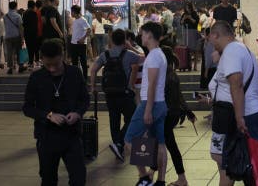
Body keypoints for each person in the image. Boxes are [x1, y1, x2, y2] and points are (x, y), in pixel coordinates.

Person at [207, 20, 258, 186]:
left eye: (211, 39)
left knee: (250, 164)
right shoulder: (242, 49)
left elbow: (237, 84)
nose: (211, 44)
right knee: (247, 159)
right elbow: (251, 84)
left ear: (215, 35)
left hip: (243, 114)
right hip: (251, 110)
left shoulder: (231, 50)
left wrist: (239, 117)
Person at [23, 39, 88, 186]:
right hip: (47, 135)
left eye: (56, 65)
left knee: (79, 178)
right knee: (48, 178)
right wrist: (48, 115)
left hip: (72, 134)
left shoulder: (74, 73)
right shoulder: (37, 77)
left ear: (63, 56)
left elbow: (84, 99)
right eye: (48, 65)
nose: (52, 69)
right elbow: (27, 108)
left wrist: (77, 113)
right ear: (42, 59)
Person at [124, 22, 169, 186]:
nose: (140, 36)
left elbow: (151, 84)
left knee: (129, 139)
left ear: (149, 35)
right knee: (160, 143)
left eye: (142, 34)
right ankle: (160, 181)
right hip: (159, 103)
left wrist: (147, 109)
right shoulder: (157, 54)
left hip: (152, 104)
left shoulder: (155, 56)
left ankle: (144, 177)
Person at [89, 29, 142, 162]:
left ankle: (117, 143)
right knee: (132, 118)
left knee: (114, 118)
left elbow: (93, 69)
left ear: (111, 40)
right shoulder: (129, 54)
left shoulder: (105, 55)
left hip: (110, 93)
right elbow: (144, 57)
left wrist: (93, 86)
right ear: (124, 40)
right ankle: (120, 142)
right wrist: (131, 48)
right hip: (125, 93)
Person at [162, 46, 195, 186]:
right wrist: (188, 111)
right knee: (167, 144)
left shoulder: (162, 75)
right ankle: (180, 178)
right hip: (174, 113)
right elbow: (180, 96)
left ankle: (150, 175)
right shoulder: (173, 74)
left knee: (161, 145)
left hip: (165, 113)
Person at [69, 5, 91, 78]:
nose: (71, 13)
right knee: (74, 63)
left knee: (83, 63)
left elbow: (89, 30)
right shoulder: (75, 20)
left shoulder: (82, 20)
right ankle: (76, 78)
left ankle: (85, 79)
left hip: (80, 45)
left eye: (71, 12)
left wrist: (83, 38)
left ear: (75, 12)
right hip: (73, 44)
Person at [3, 1, 24, 74]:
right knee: (19, 52)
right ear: (16, 7)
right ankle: (20, 67)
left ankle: (10, 68)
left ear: (9, 7)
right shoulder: (18, 16)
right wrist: (22, 38)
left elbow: (5, 26)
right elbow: (21, 28)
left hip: (8, 36)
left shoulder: (5, 16)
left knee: (9, 53)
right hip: (16, 36)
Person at [23, 0, 43, 66]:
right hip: (34, 33)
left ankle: (30, 62)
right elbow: (35, 24)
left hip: (27, 33)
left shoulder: (25, 13)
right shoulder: (34, 13)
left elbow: (24, 24)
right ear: (33, 5)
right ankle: (36, 61)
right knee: (35, 48)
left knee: (29, 48)